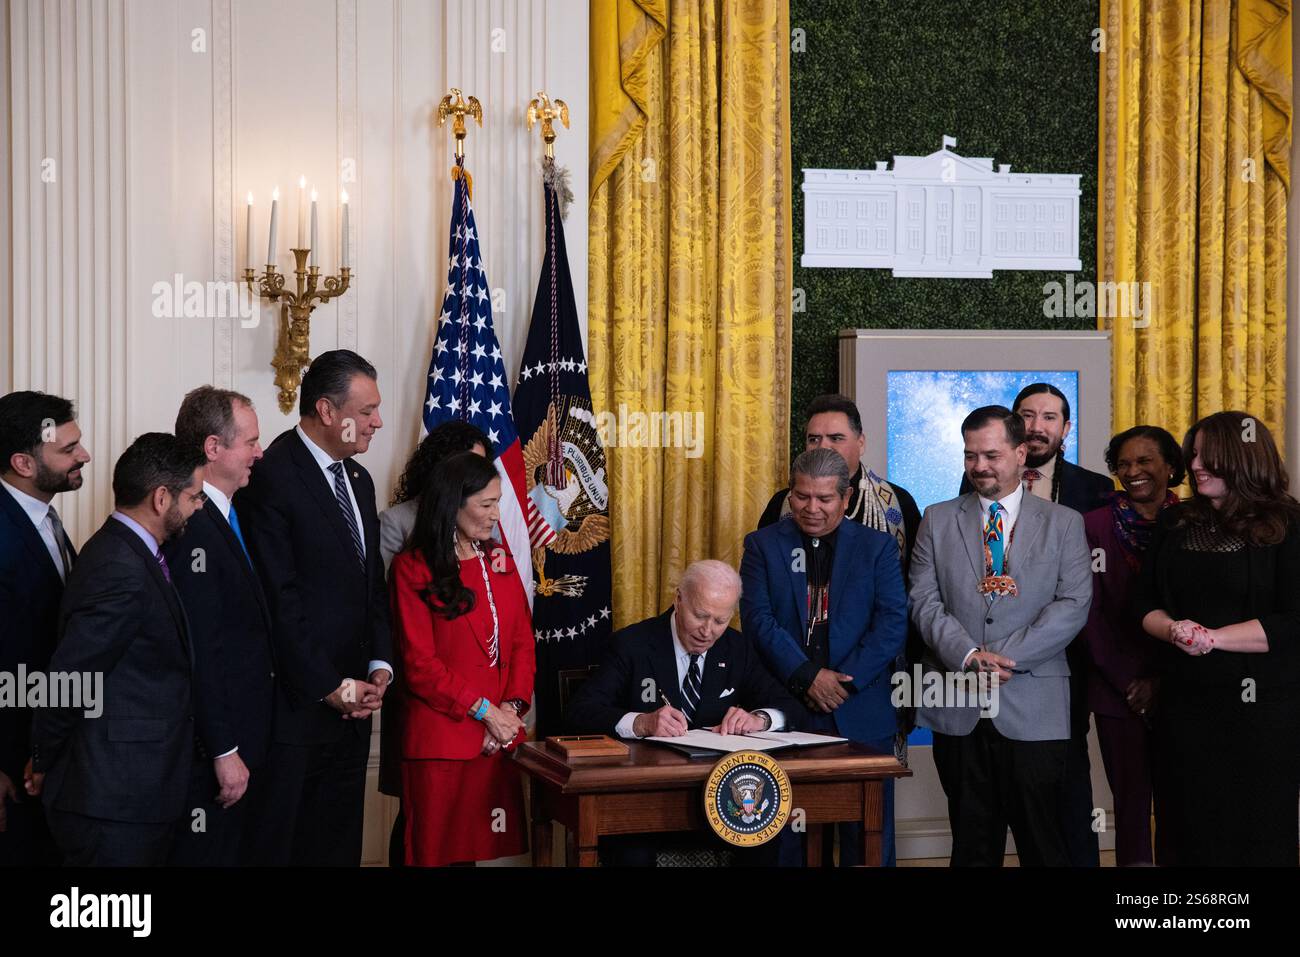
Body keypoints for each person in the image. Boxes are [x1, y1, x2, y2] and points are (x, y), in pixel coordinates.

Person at [912, 405, 1091, 866]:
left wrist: (1001, 659)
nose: (979, 467)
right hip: (959, 707)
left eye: (990, 455)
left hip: (1035, 707)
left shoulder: (1065, 523)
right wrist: (970, 655)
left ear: (1020, 452)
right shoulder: (935, 518)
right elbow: (923, 601)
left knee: (1044, 844)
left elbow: (1073, 605)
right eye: (970, 456)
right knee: (971, 845)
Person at [235, 349, 395, 866]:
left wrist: (379, 667)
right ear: (327, 412)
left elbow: (372, 586)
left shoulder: (360, 480)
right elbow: (278, 600)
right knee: (286, 848)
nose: (378, 422)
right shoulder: (273, 475)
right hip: (297, 712)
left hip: (356, 710)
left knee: (338, 848)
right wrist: (330, 686)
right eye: (366, 410)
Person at [27, 433, 206, 866]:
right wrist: (42, 758)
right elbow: (72, 677)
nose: (199, 506)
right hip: (111, 798)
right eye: (195, 496)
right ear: (162, 497)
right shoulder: (119, 567)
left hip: (132, 792)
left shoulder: (129, 552)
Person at [1135, 411, 1300, 866]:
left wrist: (1213, 638)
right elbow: (1142, 604)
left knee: (1256, 832)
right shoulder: (1175, 523)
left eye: (1210, 455)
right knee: (1183, 828)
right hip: (1184, 708)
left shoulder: (1289, 524)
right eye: (1194, 454)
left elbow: (1293, 622)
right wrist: (1173, 629)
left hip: (1262, 715)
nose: (1196, 463)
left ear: (1244, 456)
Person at [959, 382, 1112, 866]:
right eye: (1027, 414)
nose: (1037, 425)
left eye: (1049, 417)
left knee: (1062, 793)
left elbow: (1083, 591)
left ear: (1066, 428)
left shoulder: (1095, 490)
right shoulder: (976, 481)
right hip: (981, 667)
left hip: (1069, 661)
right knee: (985, 804)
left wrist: (1020, 653)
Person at [742, 447, 908, 866]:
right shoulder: (762, 545)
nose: (811, 508)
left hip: (861, 710)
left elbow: (891, 623)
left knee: (866, 838)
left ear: (846, 498)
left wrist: (839, 682)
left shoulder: (877, 548)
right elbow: (758, 620)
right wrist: (807, 676)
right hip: (786, 709)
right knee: (785, 838)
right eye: (801, 496)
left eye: (824, 499)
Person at [388, 452, 534, 866]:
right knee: (433, 857)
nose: (495, 515)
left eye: (497, 502)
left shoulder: (500, 565)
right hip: (442, 744)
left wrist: (510, 709)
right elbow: (420, 666)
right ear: (454, 502)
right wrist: (487, 712)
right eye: (486, 504)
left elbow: (523, 643)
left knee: (473, 858)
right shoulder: (411, 569)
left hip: (493, 745)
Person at [165, 387, 275, 866]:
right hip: (214, 754)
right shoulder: (192, 526)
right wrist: (224, 749)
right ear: (213, 448)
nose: (260, 451)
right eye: (250, 441)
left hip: (247, 741)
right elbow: (202, 651)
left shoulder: (233, 514)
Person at [377, 420, 492, 868]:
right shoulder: (399, 522)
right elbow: (382, 608)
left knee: (463, 815)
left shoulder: (484, 527)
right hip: (420, 692)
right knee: (418, 814)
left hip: (472, 696)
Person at [1080, 425, 1182, 866]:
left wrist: (1160, 678)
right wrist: (1129, 681)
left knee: (1182, 801)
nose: (1133, 471)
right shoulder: (1093, 525)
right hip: (1115, 690)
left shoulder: (1194, 523)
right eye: (1123, 464)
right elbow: (1088, 613)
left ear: (1171, 467)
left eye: (1144, 461)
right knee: (1131, 806)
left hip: (1182, 686)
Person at [0, 391, 90, 866]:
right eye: (68, 449)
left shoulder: (47, 519)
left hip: (46, 750)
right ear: (23, 463)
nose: (84, 455)